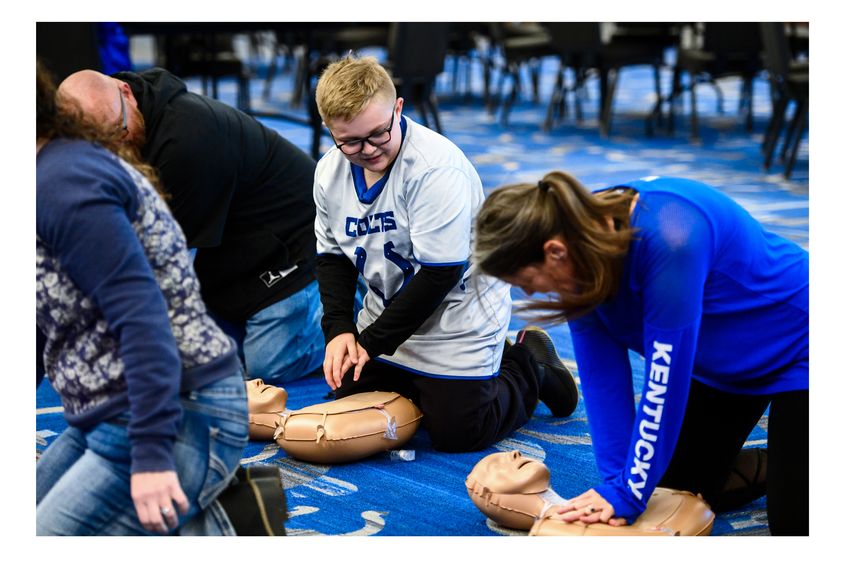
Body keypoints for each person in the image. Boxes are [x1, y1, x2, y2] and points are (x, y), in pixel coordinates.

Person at [473, 171, 808, 535]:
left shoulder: (671, 236)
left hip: (802, 345)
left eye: (526, 283)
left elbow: (664, 383)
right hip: (722, 367)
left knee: (796, 527)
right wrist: (618, 487)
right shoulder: (576, 252)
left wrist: (629, 492)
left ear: (554, 252)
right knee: (670, 492)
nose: (533, 295)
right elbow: (604, 385)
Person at [311, 55, 578, 453]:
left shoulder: (436, 170)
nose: (367, 150)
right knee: (346, 405)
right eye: (349, 141)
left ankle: (527, 364)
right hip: (390, 315)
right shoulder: (328, 171)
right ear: (329, 129)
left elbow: (439, 275)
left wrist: (368, 344)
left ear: (398, 108)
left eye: (378, 134)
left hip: (457, 316)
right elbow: (332, 256)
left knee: (459, 433)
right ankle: (432, 383)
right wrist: (339, 331)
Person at [36, 61, 259, 535]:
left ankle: (233, 528)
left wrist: (153, 455)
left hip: (179, 407)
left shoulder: (62, 183)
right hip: (109, 410)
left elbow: (142, 314)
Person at [56, 67, 323, 385]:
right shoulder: (111, 129)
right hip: (229, 252)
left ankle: (354, 315)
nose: (115, 150)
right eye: (98, 146)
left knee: (267, 365)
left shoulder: (186, 141)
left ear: (126, 92)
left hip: (293, 248)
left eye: (118, 133)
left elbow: (165, 270)